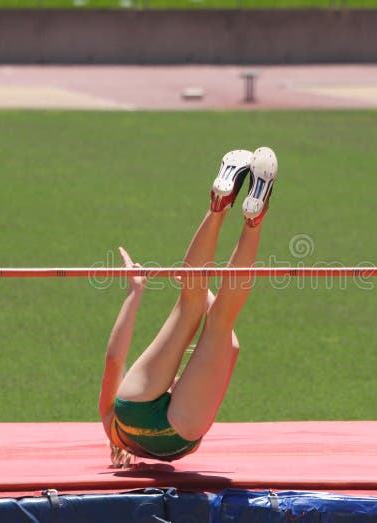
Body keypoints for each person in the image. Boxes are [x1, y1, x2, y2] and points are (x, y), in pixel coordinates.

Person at [98, 147, 278, 467]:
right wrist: (135, 294)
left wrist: (207, 296)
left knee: (221, 320)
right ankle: (217, 206)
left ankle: (254, 220)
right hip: (132, 407)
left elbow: (230, 345)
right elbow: (114, 360)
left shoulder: (120, 432)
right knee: (189, 303)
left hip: (178, 435)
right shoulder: (110, 427)